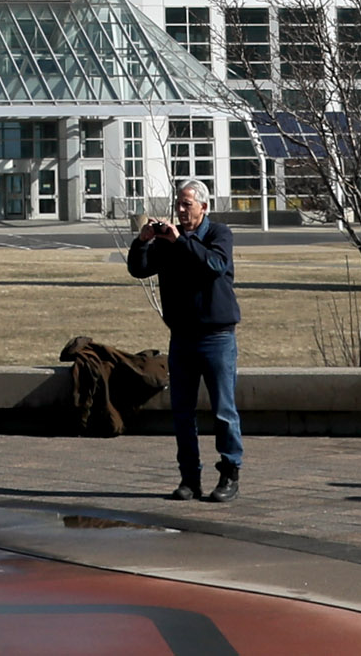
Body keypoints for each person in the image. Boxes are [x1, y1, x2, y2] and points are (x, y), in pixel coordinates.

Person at [127, 180, 243, 502]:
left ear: (203, 207)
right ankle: (189, 478)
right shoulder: (168, 241)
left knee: (223, 410)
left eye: (186, 205)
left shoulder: (219, 234)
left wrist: (180, 240)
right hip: (182, 338)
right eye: (178, 205)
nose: (180, 211)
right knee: (182, 412)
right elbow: (138, 269)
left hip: (217, 337)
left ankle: (230, 474)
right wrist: (143, 241)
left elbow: (214, 265)